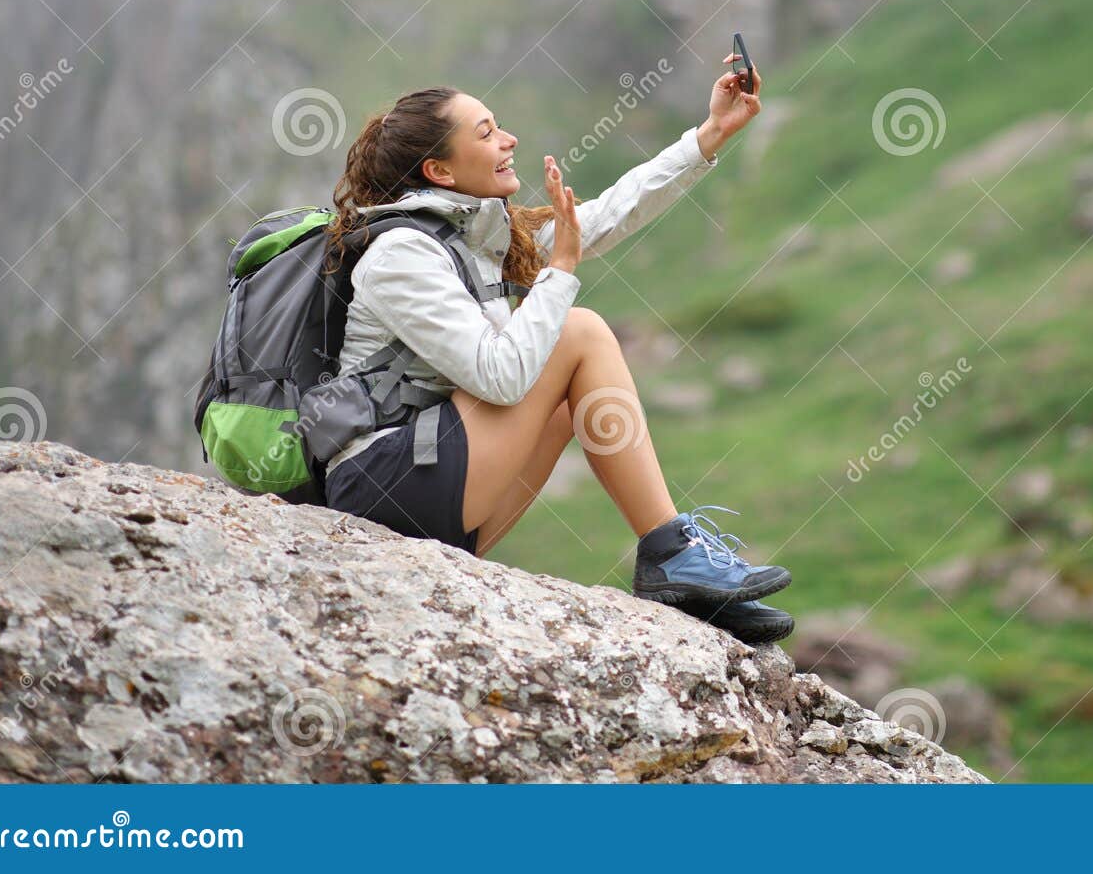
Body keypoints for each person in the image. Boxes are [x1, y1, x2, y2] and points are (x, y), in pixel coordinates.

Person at [315, 57, 793, 643]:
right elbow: (502, 377)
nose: (508, 138)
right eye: (486, 132)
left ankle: (684, 580)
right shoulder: (400, 255)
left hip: (433, 492)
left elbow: (608, 215)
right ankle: (671, 553)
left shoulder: (473, 236)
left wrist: (711, 133)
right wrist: (560, 269)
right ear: (439, 170)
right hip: (384, 487)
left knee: (576, 404)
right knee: (581, 332)